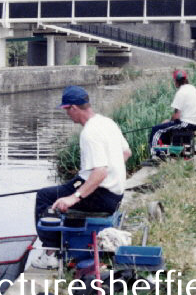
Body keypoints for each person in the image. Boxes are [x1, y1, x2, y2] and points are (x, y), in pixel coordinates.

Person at [31, 85, 131, 269]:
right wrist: (112, 175)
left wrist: (74, 197)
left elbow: (100, 172)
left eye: (66, 110)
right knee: (60, 190)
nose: (67, 115)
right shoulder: (107, 122)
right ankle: (60, 245)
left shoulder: (89, 133)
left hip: (102, 197)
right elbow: (126, 153)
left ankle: (51, 253)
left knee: (44, 197)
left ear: (74, 108)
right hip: (114, 193)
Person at [149, 69, 196, 149]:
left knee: (156, 130)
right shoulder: (193, 89)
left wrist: (168, 121)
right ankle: (166, 151)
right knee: (167, 128)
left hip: (187, 123)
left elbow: (176, 116)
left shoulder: (181, 92)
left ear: (176, 81)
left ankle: (154, 153)